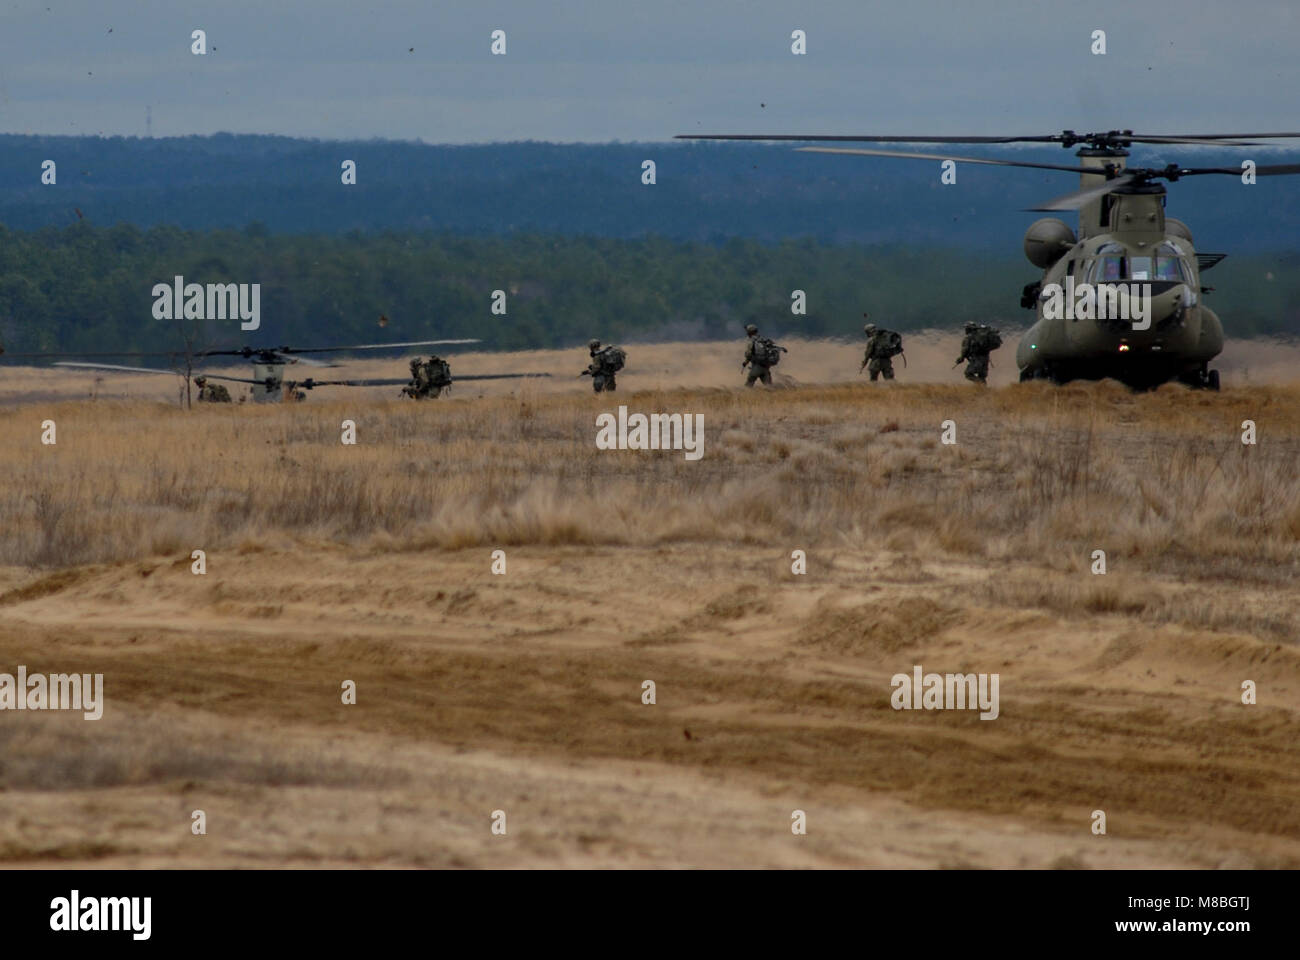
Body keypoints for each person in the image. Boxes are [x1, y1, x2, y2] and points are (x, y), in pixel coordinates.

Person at [860, 315, 903, 381]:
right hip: (887, 362)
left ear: (869, 331)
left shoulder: (871, 340)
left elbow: (868, 354)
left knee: (873, 381)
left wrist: (863, 365)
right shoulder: (885, 337)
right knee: (890, 380)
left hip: (876, 362)